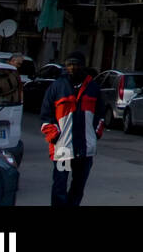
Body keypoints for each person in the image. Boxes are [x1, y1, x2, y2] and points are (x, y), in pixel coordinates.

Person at [40, 50, 107, 206]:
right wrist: (55, 136)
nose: (72, 68)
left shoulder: (93, 88)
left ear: (83, 66)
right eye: (69, 64)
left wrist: (95, 134)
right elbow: (45, 115)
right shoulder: (57, 87)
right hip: (63, 148)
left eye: (75, 64)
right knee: (59, 186)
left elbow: (100, 115)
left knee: (78, 186)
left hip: (85, 148)